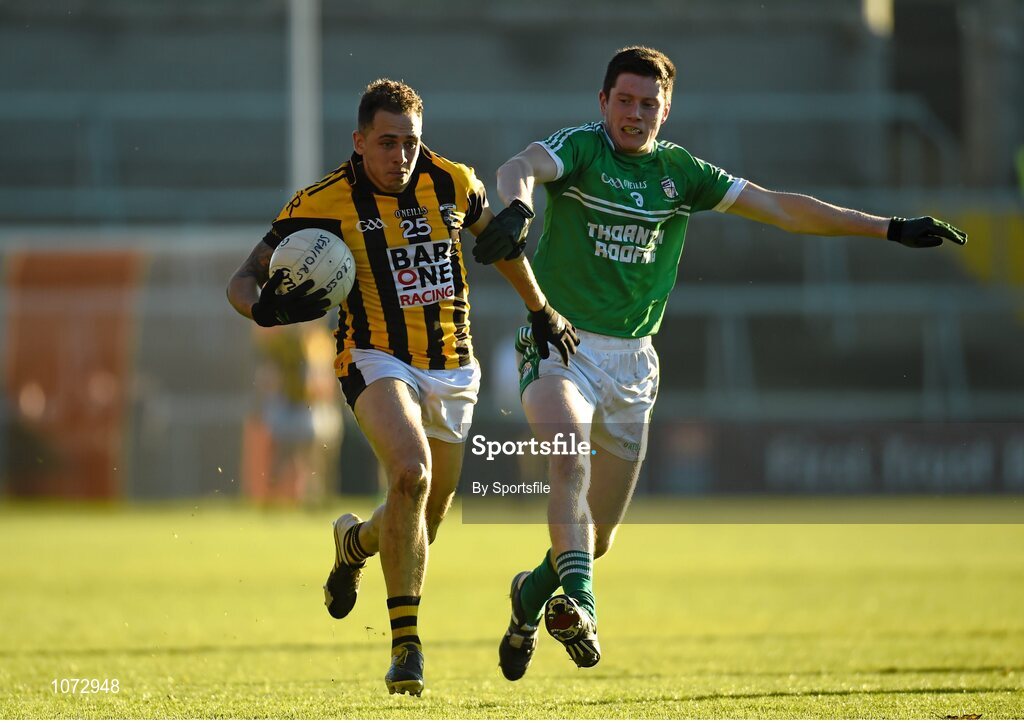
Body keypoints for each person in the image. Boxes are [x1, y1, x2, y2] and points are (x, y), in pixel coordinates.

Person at [472, 46, 968, 680]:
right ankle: (584, 610)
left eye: (648, 104)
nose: (634, 114)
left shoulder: (682, 173)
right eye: (623, 101)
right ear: (603, 102)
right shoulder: (583, 149)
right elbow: (519, 166)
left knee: (597, 540)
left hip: (633, 364)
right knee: (567, 458)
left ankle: (529, 598)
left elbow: (781, 207)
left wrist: (889, 228)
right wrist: (518, 205)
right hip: (558, 342)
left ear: (666, 110)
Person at [226, 78, 575, 696]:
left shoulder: (453, 182)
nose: (401, 155)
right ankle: (406, 648)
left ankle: (354, 543)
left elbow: (499, 247)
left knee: (421, 521)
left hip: (453, 366)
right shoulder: (322, 200)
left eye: (411, 141)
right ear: (359, 142)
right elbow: (242, 281)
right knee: (411, 473)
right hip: (374, 358)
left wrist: (542, 310)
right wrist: (263, 310)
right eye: (387, 142)